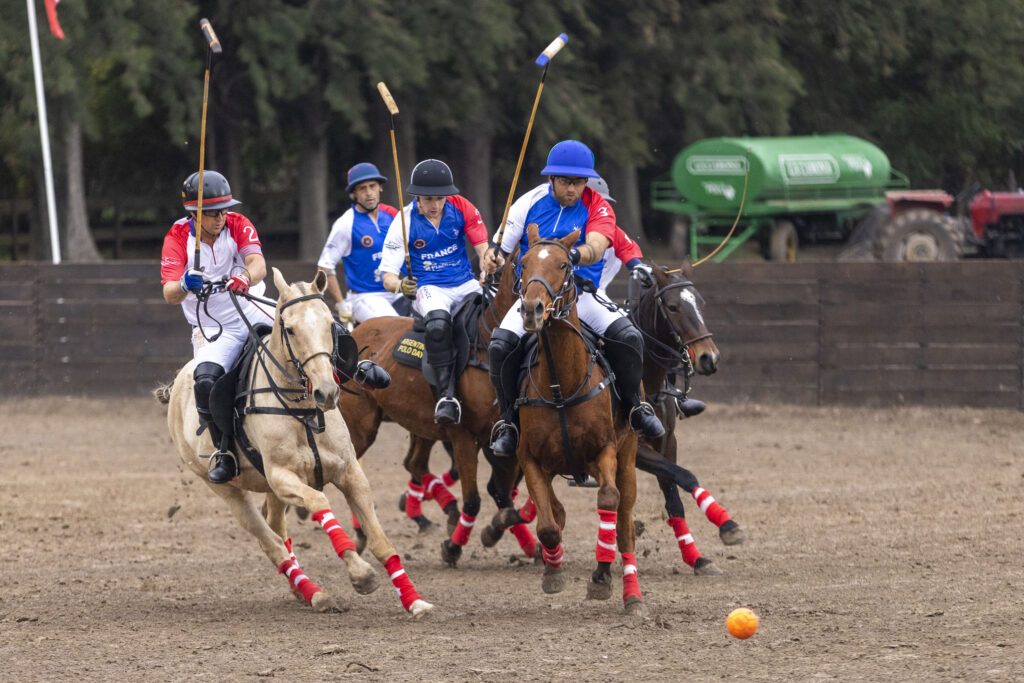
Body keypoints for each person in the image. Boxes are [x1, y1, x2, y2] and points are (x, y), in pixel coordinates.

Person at [480, 140, 666, 458]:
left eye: (578, 182)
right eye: (565, 181)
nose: (572, 188)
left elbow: (596, 246)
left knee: (629, 336)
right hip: (533, 297)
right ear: (551, 179)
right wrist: (493, 257)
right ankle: (509, 423)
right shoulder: (529, 202)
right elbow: (501, 246)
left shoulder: (598, 207)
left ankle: (636, 407)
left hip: (579, 295)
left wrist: (569, 254)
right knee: (500, 345)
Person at [160, 170, 272, 485]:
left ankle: (346, 375)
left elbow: (258, 264)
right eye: (211, 213)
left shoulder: (238, 223)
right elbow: (170, 294)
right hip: (214, 328)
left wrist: (245, 278)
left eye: (224, 209)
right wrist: (183, 283)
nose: (220, 217)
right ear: (194, 213)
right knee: (206, 380)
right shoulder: (178, 237)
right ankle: (224, 450)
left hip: (253, 309)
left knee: (303, 331)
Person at [378, 159, 489, 425]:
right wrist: (402, 285)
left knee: (496, 315)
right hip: (430, 288)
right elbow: (387, 277)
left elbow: (483, 249)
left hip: (465, 283)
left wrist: (486, 269)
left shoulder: (462, 207)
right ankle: (446, 395)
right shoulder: (404, 221)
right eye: (429, 199)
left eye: (440, 198)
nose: (436, 204)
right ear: (417, 197)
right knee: (439, 325)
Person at [587, 177, 705, 419]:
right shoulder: (564, 228)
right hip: (563, 298)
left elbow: (629, 251)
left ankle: (668, 392)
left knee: (640, 334)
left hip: (599, 300)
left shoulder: (611, 231)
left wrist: (645, 270)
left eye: (603, 204)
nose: (600, 208)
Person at [317, 163, 405, 328]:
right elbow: (324, 267)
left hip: (397, 291)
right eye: (362, 188)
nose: (369, 193)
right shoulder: (345, 223)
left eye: (372, 186)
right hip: (365, 297)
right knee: (397, 327)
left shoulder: (392, 216)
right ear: (354, 194)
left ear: (380, 188)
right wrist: (341, 304)